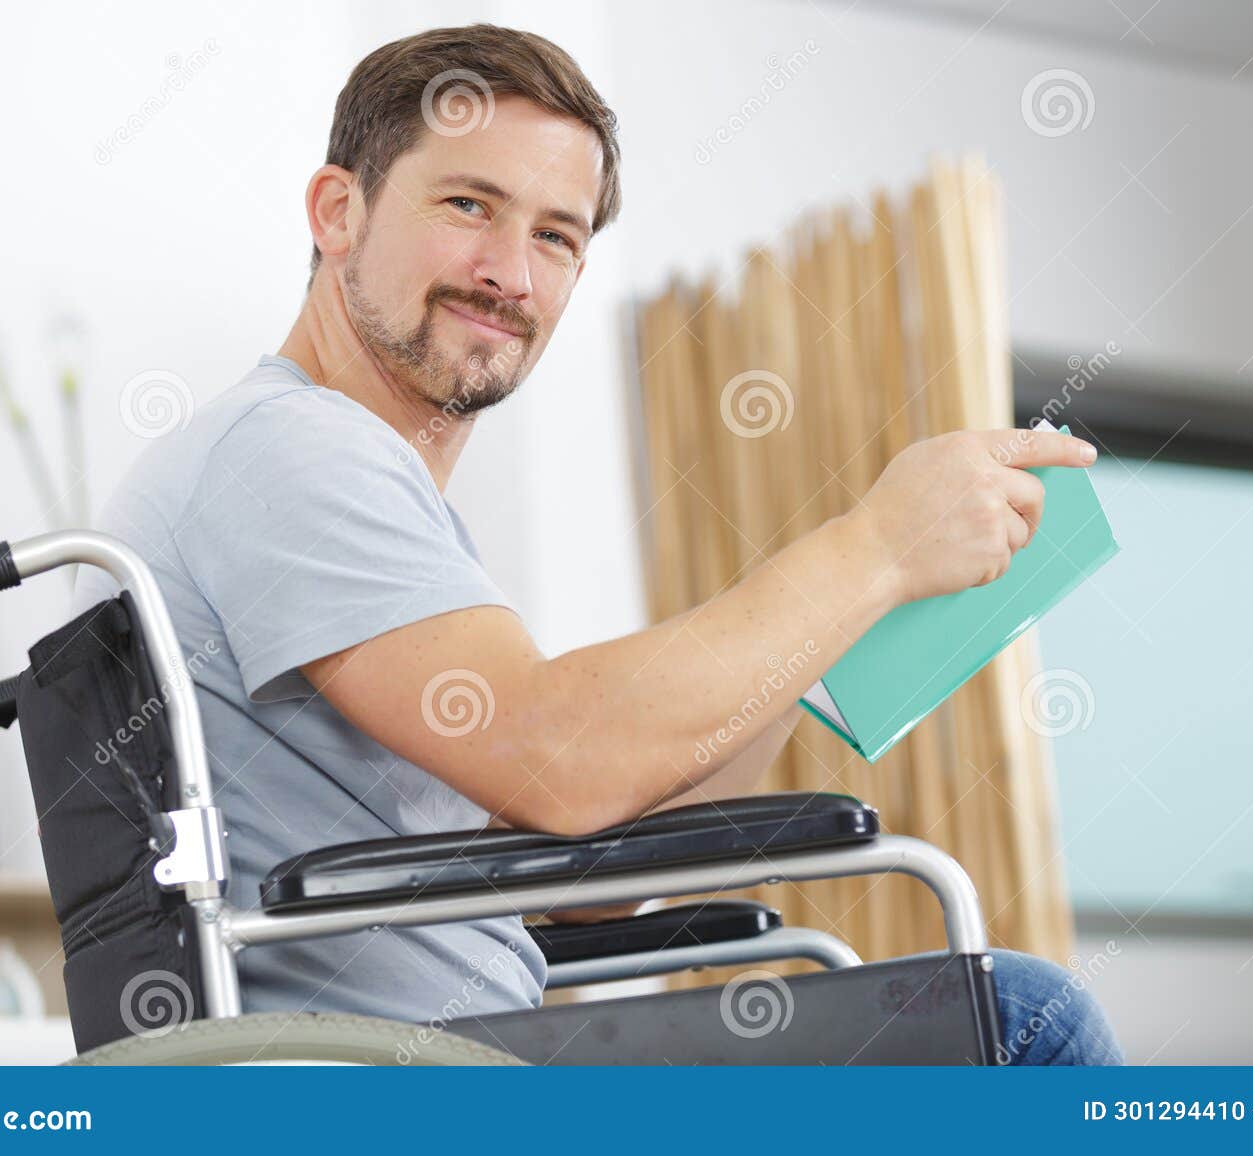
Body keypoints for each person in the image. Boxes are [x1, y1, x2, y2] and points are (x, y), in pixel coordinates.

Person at [76, 22, 1122, 1066]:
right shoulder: (291, 450)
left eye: (556, 237)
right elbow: (559, 758)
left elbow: (561, 866)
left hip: (449, 1044)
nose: (510, 275)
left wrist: (824, 638)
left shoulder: (352, 483)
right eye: (469, 205)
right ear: (337, 210)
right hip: (408, 1066)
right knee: (1025, 1018)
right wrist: (877, 546)